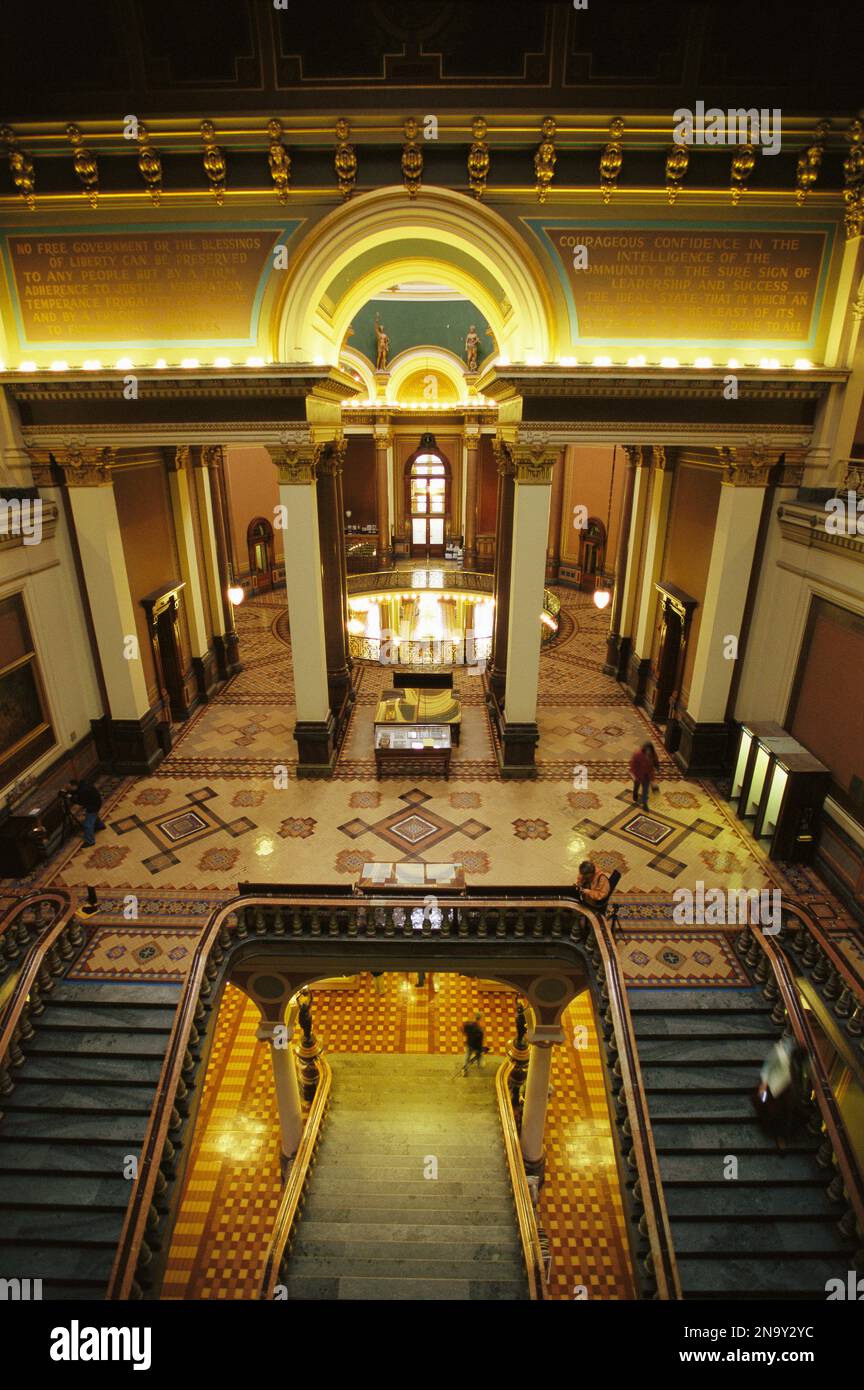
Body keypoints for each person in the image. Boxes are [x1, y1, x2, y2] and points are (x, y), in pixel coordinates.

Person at [753, 1034, 808, 1151]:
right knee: (773, 1111)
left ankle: (781, 1135)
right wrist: (764, 1084)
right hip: (775, 1086)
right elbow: (768, 1067)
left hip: (788, 1090)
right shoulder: (780, 1052)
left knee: (786, 1113)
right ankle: (774, 1132)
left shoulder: (799, 1061)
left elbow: (800, 1074)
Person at [68, 777, 105, 847]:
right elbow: (77, 791)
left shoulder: (83, 791)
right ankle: (100, 826)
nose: (69, 789)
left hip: (93, 806)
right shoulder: (82, 784)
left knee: (87, 825)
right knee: (93, 816)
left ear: (74, 785)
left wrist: (70, 797)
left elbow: (80, 802)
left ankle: (90, 841)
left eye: (70, 787)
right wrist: (70, 792)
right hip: (96, 802)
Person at [629, 741, 659, 809]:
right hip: (638, 775)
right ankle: (635, 794)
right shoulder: (638, 754)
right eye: (647, 750)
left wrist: (657, 768)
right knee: (636, 786)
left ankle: (645, 804)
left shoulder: (653, 755)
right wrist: (633, 775)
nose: (648, 752)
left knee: (645, 790)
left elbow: (656, 762)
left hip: (647, 776)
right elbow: (633, 765)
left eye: (650, 750)